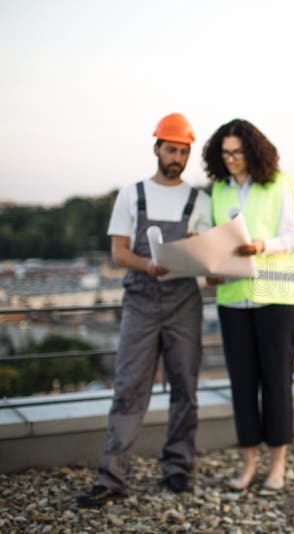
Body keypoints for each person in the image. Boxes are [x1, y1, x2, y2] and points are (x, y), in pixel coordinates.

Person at [76, 113, 212, 507]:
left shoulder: (198, 200)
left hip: (183, 300)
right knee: (129, 386)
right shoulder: (130, 195)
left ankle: (177, 468)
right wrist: (147, 265)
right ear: (157, 147)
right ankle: (112, 477)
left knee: (185, 386)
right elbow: (118, 252)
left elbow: (205, 254)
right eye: (171, 149)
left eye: (183, 152)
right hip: (139, 299)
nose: (177, 157)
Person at [202, 119, 294, 491]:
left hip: (275, 295)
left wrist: (260, 246)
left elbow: (291, 236)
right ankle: (248, 465)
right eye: (225, 153)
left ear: (252, 151)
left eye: (237, 152)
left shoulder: (278, 182)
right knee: (242, 384)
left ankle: (277, 465)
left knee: (276, 382)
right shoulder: (218, 191)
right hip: (232, 298)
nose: (231, 159)